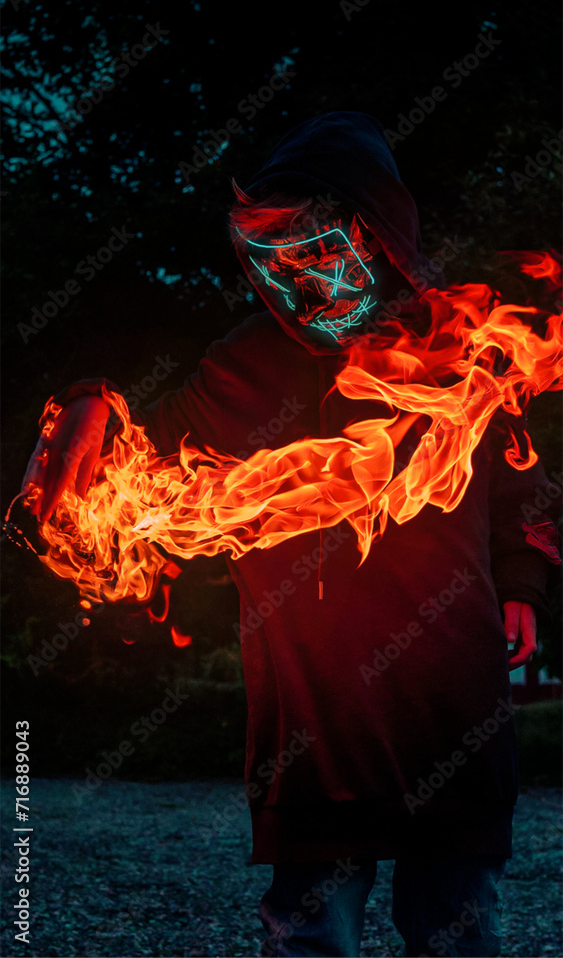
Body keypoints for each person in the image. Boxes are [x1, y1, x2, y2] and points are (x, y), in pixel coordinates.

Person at [22, 112, 560, 958]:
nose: (299, 290)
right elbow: (144, 445)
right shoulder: (243, 364)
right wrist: (91, 396)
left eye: (315, 255)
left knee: (455, 928)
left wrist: (522, 581)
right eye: (272, 264)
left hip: (446, 688)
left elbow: (513, 477)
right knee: (310, 928)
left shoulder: (457, 343)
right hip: (311, 709)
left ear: (376, 240)